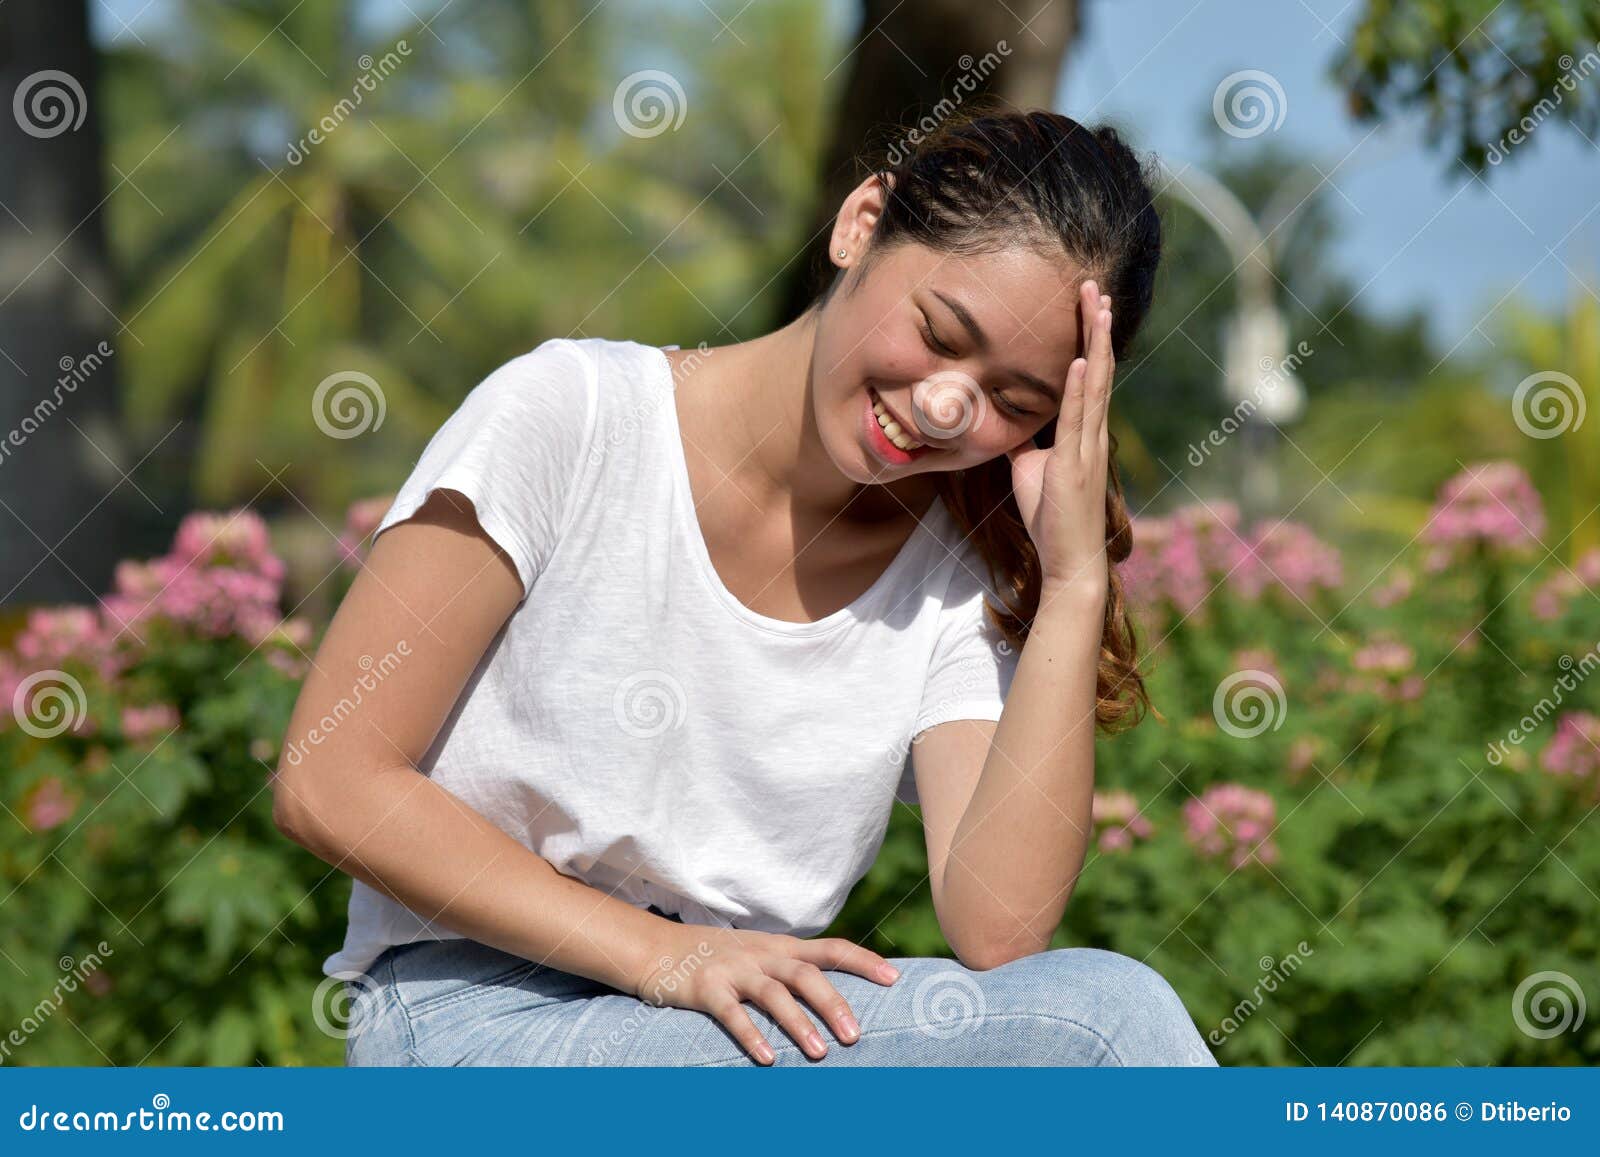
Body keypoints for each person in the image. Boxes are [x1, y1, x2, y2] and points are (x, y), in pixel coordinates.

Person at [271, 105, 1217, 1067]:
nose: (945, 403)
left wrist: (1070, 583)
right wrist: (665, 954)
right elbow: (328, 781)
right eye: (938, 331)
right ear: (860, 223)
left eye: (1013, 402)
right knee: (1105, 1028)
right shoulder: (572, 415)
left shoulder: (952, 575)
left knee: (1093, 1013)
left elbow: (1000, 931)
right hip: (473, 1018)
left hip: (734, 1033)